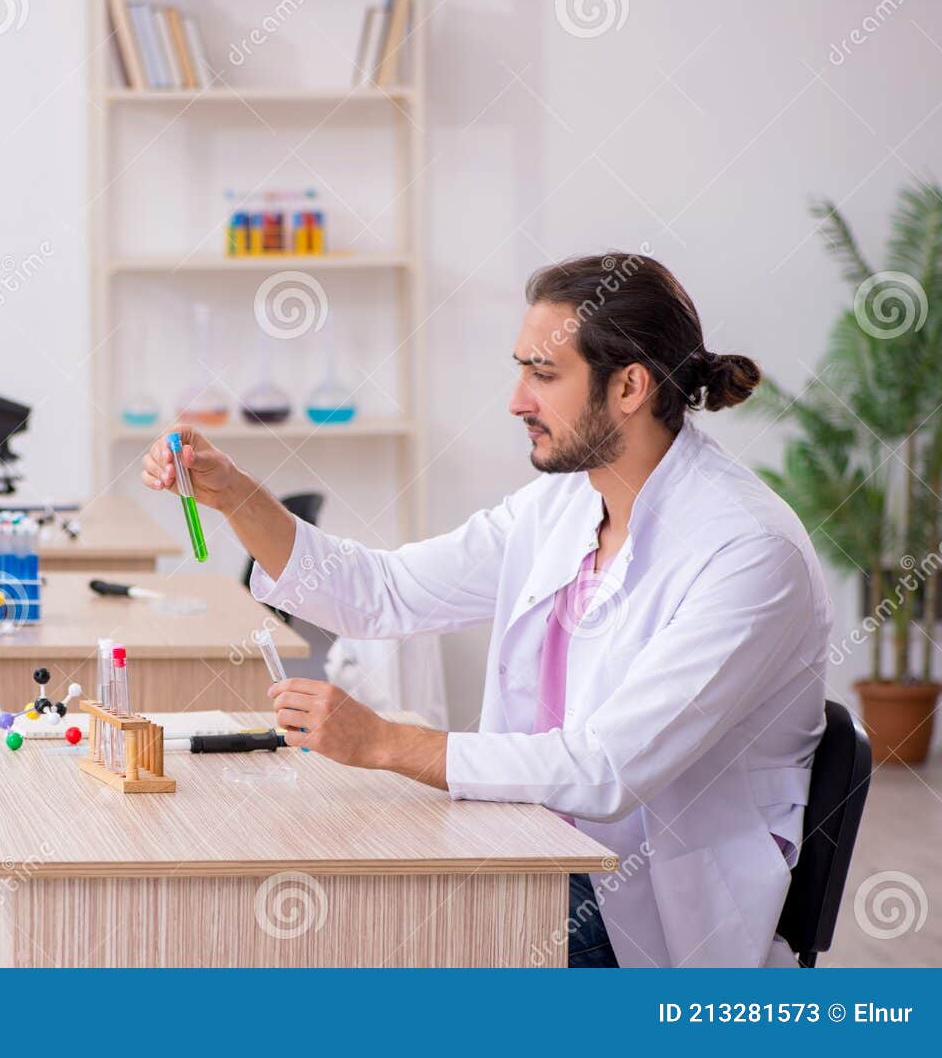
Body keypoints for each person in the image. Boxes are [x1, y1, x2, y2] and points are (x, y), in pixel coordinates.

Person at [141, 252, 831, 968]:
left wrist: (386, 744)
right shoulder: (567, 501)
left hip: (638, 912)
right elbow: (384, 591)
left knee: (338, 931)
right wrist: (234, 495)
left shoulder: (747, 550)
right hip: (531, 848)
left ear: (629, 386)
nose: (515, 400)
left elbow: (606, 769)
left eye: (542, 373)